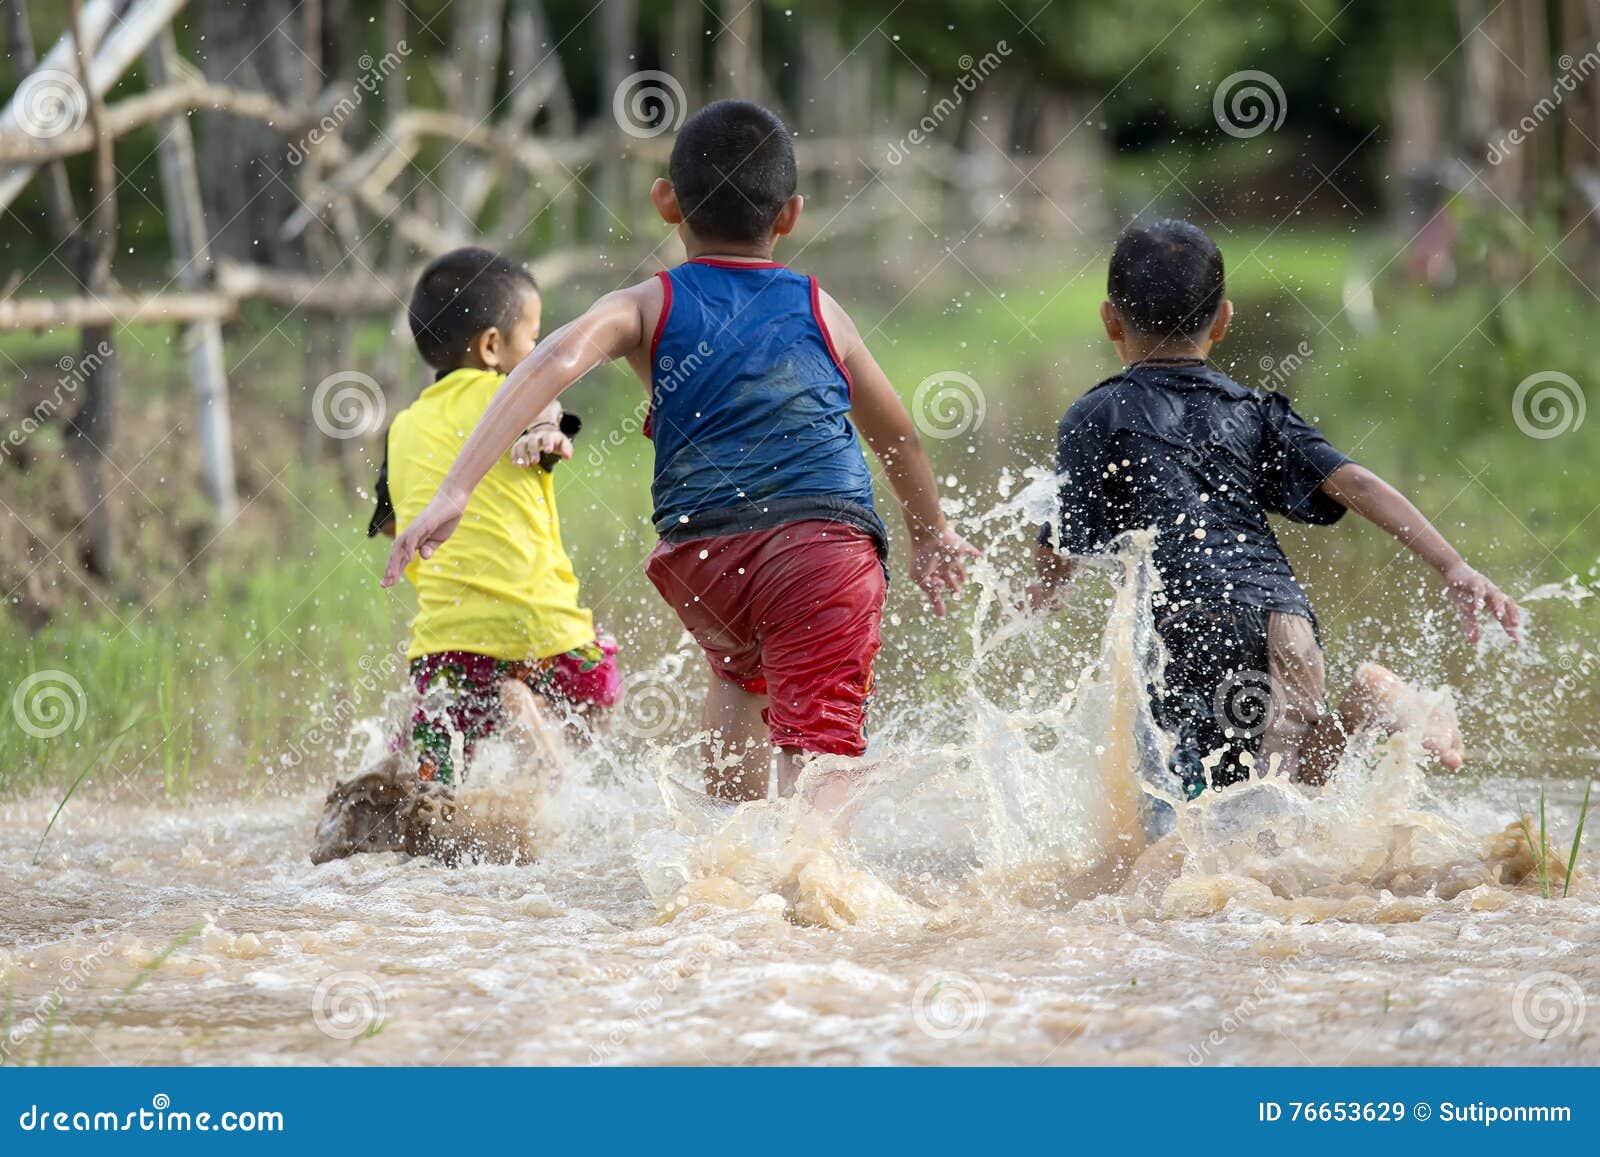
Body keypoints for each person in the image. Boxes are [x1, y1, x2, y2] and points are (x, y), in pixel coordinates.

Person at [382, 101, 974, 806]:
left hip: (705, 558)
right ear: (790, 215)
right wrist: (930, 531)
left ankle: (727, 869)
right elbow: (898, 434)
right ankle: (814, 881)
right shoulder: (821, 307)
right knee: (818, 741)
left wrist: (454, 490)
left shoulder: (647, 304)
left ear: (667, 202)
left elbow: (552, 358)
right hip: (825, 548)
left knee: (738, 675)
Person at [1031, 219, 1521, 795]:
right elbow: (1356, 482)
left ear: (1110, 318)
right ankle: (1365, 702)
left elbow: (1063, 537)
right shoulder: (1253, 410)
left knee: (1230, 821)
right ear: (1223, 320)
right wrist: (1452, 565)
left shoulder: (1095, 416)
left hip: (1183, 625)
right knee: (1287, 803)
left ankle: (1368, 699)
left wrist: (1044, 593)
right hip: (1280, 616)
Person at [371, 246, 620, 787]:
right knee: (599, 694)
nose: (537, 355)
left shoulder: (401, 429)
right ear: (492, 347)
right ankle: (545, 747)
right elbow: (544, 410)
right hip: (545, 635)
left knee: (429, 782)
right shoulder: (519, 395)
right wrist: (545, 434)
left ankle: (414, 754)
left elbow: (389, 523)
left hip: (448, 647)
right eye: (532, 341)